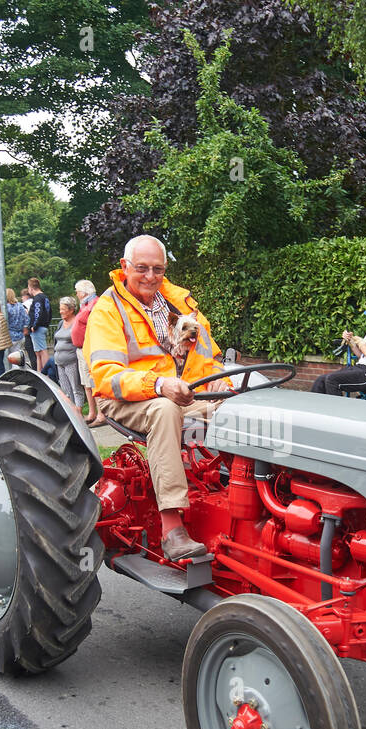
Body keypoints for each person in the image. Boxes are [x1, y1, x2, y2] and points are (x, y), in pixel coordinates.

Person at [85, 234, 230, 561]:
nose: (150, 276)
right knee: (165, 410)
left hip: (182, 391)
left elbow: (210, 354)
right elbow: (106, 374)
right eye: (142, 268)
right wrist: (159, 384)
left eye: (158, 269)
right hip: (125, 396)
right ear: (125, 267)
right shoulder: (108, 308)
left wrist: (220, 377)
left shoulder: (181, 303)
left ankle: (240, 495)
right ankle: (171, 527)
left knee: (241, 402)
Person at [310, 299, 366, 396]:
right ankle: (314, 409)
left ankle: (337, 410)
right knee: (321, 380)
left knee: (332, 380)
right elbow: (361, 355)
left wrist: (360, 341)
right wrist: (351, 341)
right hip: (361, 367)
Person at [72, 279, 104, 425]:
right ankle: (92, 413)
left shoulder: (95, 304)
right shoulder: (84, 305)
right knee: (86, 383)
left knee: (93, 382)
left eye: (77, 291)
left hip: (91, 349)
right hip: (82, 349)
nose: (76, 294)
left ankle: (101, 415)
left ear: (84, 292)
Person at [52, 296, 83, 411]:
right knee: (66, 389)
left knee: (76, 388)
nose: (60, 312)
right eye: (60, 309)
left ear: (71, 310)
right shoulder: (61, 323)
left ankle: (78, 412)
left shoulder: (76, 323)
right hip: (59, 361)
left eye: (63, 309)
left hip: (71, 361)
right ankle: (70, 412)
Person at [27, 278, 51, 371]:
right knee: (38, 352)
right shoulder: (45, 297)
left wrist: (34, 326)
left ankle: (46, 372)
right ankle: (40, 372)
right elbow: (49, 312)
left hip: (38, 328)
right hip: (43, 326)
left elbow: (38, 312)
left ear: (31, 288)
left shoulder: (37, 298)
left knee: (42, 351)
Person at [4, 288, 29, 368]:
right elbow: (27, 319)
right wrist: (25, 329)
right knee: (19, 358)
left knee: (9, 359)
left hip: (9, 335)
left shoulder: (6, 308)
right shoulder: (20, 306)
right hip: (20, 335)